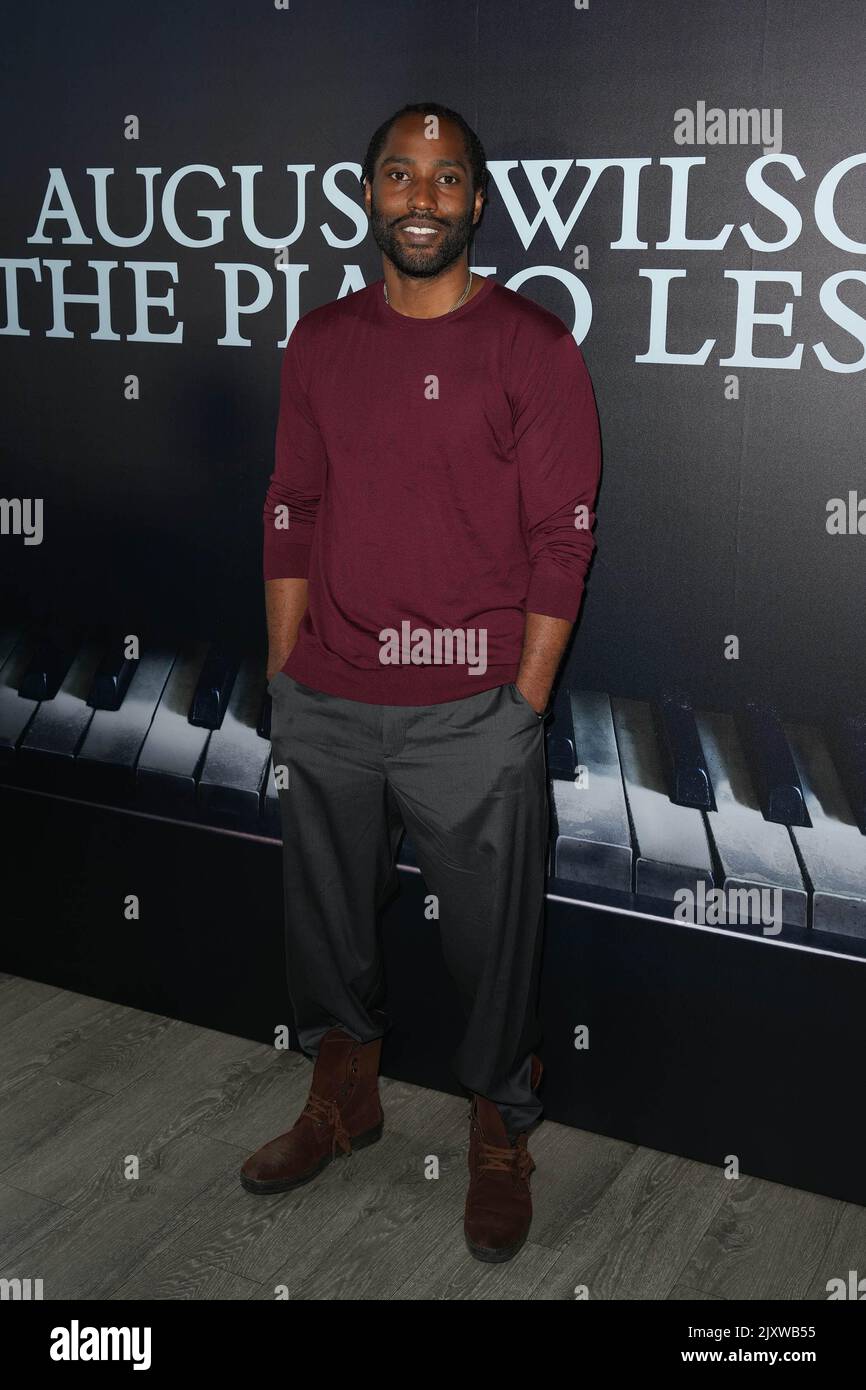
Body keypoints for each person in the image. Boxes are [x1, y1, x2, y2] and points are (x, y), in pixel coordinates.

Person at [241, 102, 601, 1264]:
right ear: (367, 196)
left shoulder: (534, 348)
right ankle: (342, 1093)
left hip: (472, 712)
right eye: (399, 176)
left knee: (492, 942)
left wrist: (525, 706)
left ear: (476, 204)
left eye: (446, 180)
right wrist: (286, 667)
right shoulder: (319, 341)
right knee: (327, 923)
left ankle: (499, 1121)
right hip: (331, 697)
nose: (420, 198)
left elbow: (563, 538)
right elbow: (291, 504)